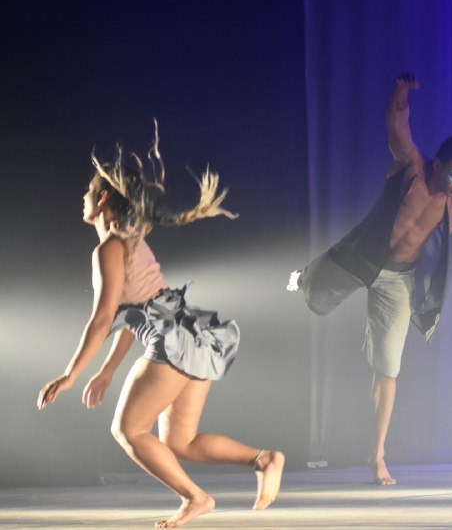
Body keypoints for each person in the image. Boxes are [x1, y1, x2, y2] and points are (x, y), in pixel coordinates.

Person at [289, 73, 452, 485]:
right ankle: (303, 276)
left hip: (397, 280)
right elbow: (397, 129)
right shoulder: (413, 168)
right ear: (439, 164)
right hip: (361, 255)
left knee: (388, 368)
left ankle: (376, 455)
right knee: (311, 292)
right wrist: (400, 92)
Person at [37, 123, 285, 528]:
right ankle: (263, 459)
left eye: (86, 192)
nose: (81, 199)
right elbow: (134, 315)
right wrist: (107, 370)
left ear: (101, 199)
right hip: (192, 337)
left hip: (172, 344)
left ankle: (197, 498)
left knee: (127, 429)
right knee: (178, 442)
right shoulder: (129, 237)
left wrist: (69, 375)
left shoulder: (109, 248)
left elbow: (102, 319)